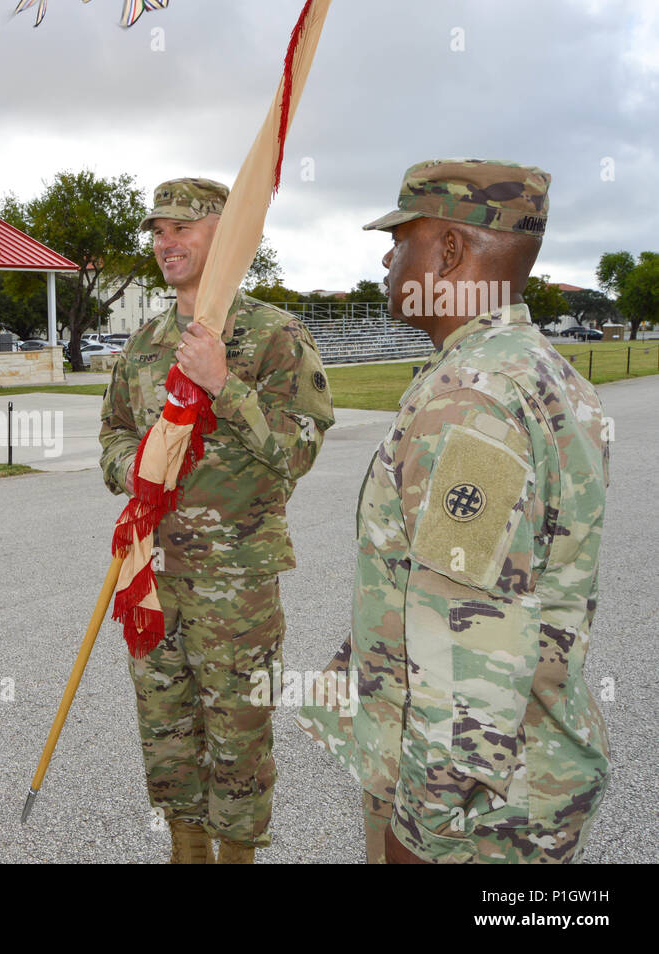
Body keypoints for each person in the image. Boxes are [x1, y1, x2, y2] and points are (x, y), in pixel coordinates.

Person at [298, 159, 611, 864]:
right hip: (523, 783)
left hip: (475, 821)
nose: (388, 255)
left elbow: (469, 643)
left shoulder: (472, 400)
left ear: (448, 251)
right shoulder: (535, 368)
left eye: (402, 237)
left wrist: (423, 832)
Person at [99, 177, 334, 863]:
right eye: (158, 230)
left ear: (226, 237)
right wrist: (133, 468)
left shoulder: (273, 335)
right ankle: (185, 850)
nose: (165, 242)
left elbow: (299, 448)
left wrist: (222, 385)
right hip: (151, 573)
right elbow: (113, 434)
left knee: (238, 733)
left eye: (182, 228)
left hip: (236, 582)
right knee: (166, 728)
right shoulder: (143, 343)